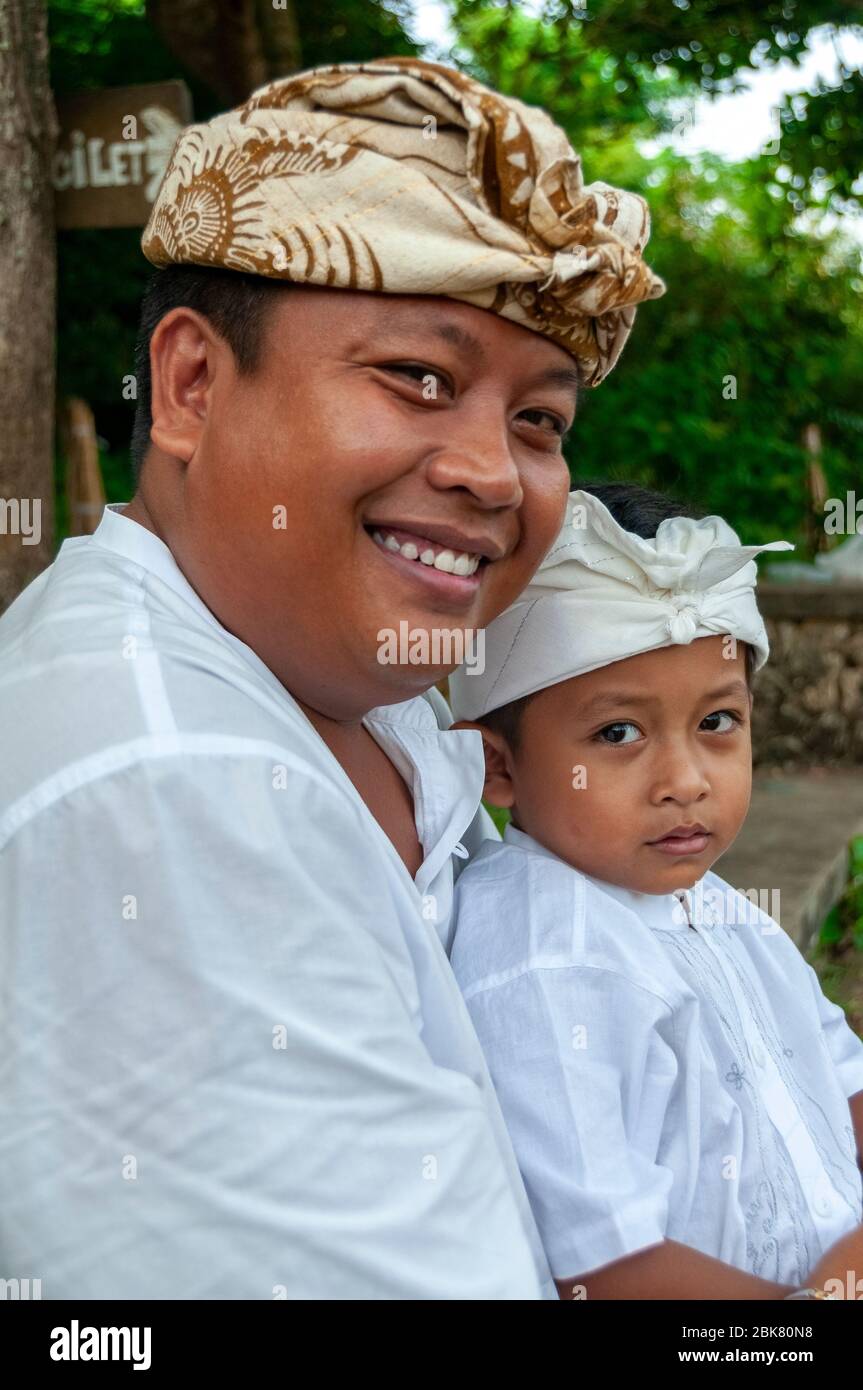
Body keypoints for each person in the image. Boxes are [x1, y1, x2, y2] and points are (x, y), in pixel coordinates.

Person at [0, 60, 664, 1298]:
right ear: (193, 384)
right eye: (417, 375)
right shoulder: (174, 792)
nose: (493, 474)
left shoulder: (359, 695)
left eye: (540, 422)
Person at [448, 482, 863, 1299]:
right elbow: (604, 1268)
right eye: (617, 733)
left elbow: (843, 1085)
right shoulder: (547, 958)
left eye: (716, 723)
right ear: (497, 765)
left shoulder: (713, 906)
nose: (684, 781)